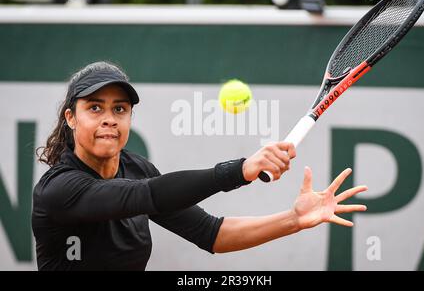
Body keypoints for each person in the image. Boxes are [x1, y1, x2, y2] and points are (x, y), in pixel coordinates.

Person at [32, 61, 368, 270]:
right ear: (71, 118)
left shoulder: (137, 169)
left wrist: (293, 220)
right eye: (95, 108)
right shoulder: (59, 189)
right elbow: (148, 196)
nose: (109, 119)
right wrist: (239, 170)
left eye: (119, 109)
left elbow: (211, 234)